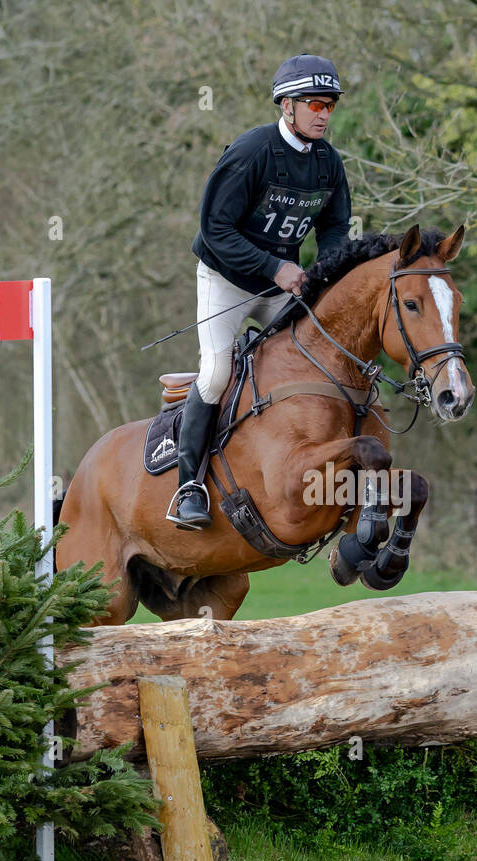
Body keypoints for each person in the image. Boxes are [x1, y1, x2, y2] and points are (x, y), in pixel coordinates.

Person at [168, 54, 353, 529]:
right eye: (314, 104)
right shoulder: (253, 151)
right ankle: (188, 487)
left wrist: (326, 274)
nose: (323, 114)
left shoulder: (328, 163)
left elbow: (334, 229)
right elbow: (215, 229)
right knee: (215, 374)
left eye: (329, 105)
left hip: (283, 283)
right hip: (227, 280)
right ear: (287, 106)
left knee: (320, 359)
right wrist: (275, 267)